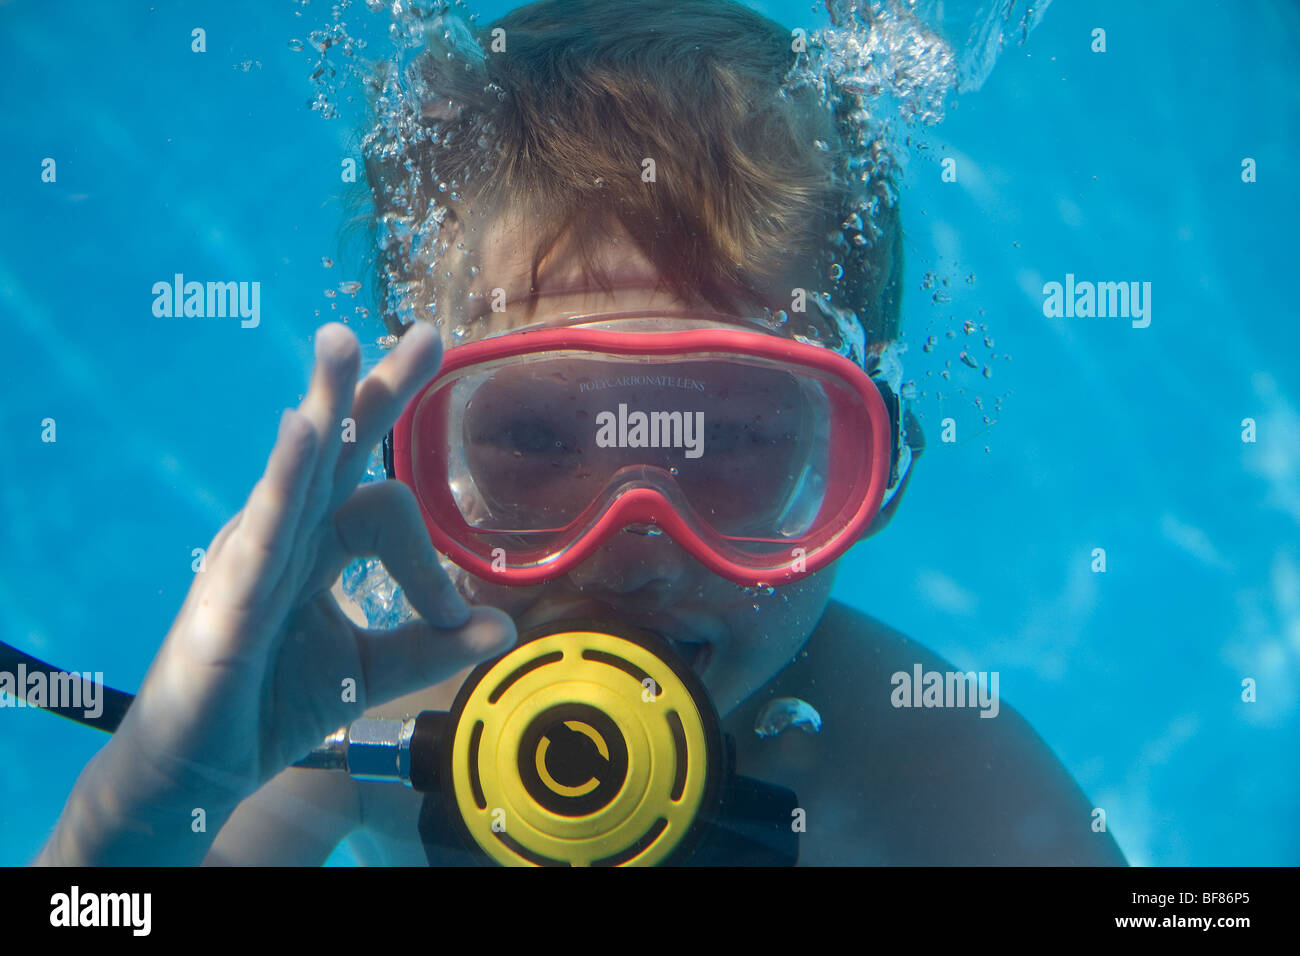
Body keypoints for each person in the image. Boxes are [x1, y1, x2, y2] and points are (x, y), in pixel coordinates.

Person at [35, 0, 1126, 866]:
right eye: (535, 441)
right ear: (415, 465)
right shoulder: (353, 708)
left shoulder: (928, 765)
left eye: (733, 443)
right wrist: (151, 803)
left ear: (869, 479)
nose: (633, 547)